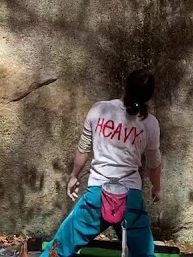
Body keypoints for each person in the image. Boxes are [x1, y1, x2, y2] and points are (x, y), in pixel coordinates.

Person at [42, 69, 163, 257]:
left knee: (59, 248)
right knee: (144, 254)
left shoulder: (99, 109)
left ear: (126, 86)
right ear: (149, 96)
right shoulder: (151, 123)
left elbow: (83, 148)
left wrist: (74, 176)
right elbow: (154, 162)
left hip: (97, 196)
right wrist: (157, 187)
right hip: (131, 197)